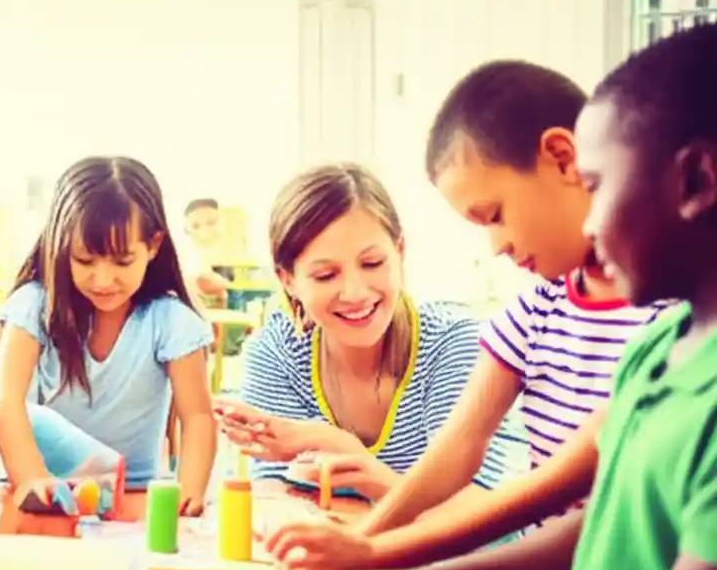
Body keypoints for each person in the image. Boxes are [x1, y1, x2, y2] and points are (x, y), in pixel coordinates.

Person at [296, 25, 717, 570]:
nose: (594, 225)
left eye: (599, 185)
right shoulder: (662, 347)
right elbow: (587, 530)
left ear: (696, 181)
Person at [261, 64, 671, 570]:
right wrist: (366, 549)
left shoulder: (673, 323)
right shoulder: (536, 310)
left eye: (495, 215)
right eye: (324, 274)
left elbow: (571, 497)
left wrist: (376, 552)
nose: (496, 245)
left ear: (564, 159)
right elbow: (458, 447)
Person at [217, 163, 526, 503]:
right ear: (288, 280)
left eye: (372, 264)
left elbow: (478, 517)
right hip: (332, 555)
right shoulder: (276, 354)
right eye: (325, 275)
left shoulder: (453, 344)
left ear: (400, 251)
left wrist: (344, 452)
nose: (355, 292)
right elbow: (271, 502)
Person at [0, 156, 215, 514]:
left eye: (123, 261)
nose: (104, 280)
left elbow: (198, 416)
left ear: (153, 246)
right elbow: (4, 400)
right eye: (84, 260)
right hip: (43, 491)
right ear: (61, 246)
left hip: (133, 497)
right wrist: (33, 479)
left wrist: (189, 489)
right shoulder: (34, 306)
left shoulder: (172, 321)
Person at [177, 198, 232, 300]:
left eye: (211, 223)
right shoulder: (188, 264)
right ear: (187, 231)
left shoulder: (247, 259)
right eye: (196, 226)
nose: (204, 231)